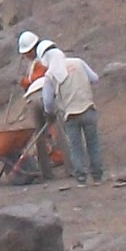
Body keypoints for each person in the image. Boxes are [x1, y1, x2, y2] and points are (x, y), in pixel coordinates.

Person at [42, 50, 103, 185]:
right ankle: (97, 176)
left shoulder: (50, 75)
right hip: (88, 108)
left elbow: (47, 101)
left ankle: (81, 178)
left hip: (70, 115)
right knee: (93, 143)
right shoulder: (78, 62)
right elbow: (94, 78)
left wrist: (49, 113)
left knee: (76, 147)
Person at [16, 31, 60, 179]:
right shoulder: (33, 62)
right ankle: (48, 170)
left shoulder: (43, 58)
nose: (26, 56)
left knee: (55, 129)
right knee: (41, 134)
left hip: (45, 95)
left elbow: (43, 76)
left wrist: (27, 82)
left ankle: (62, 162)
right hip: (37, 97)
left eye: (27, 52)